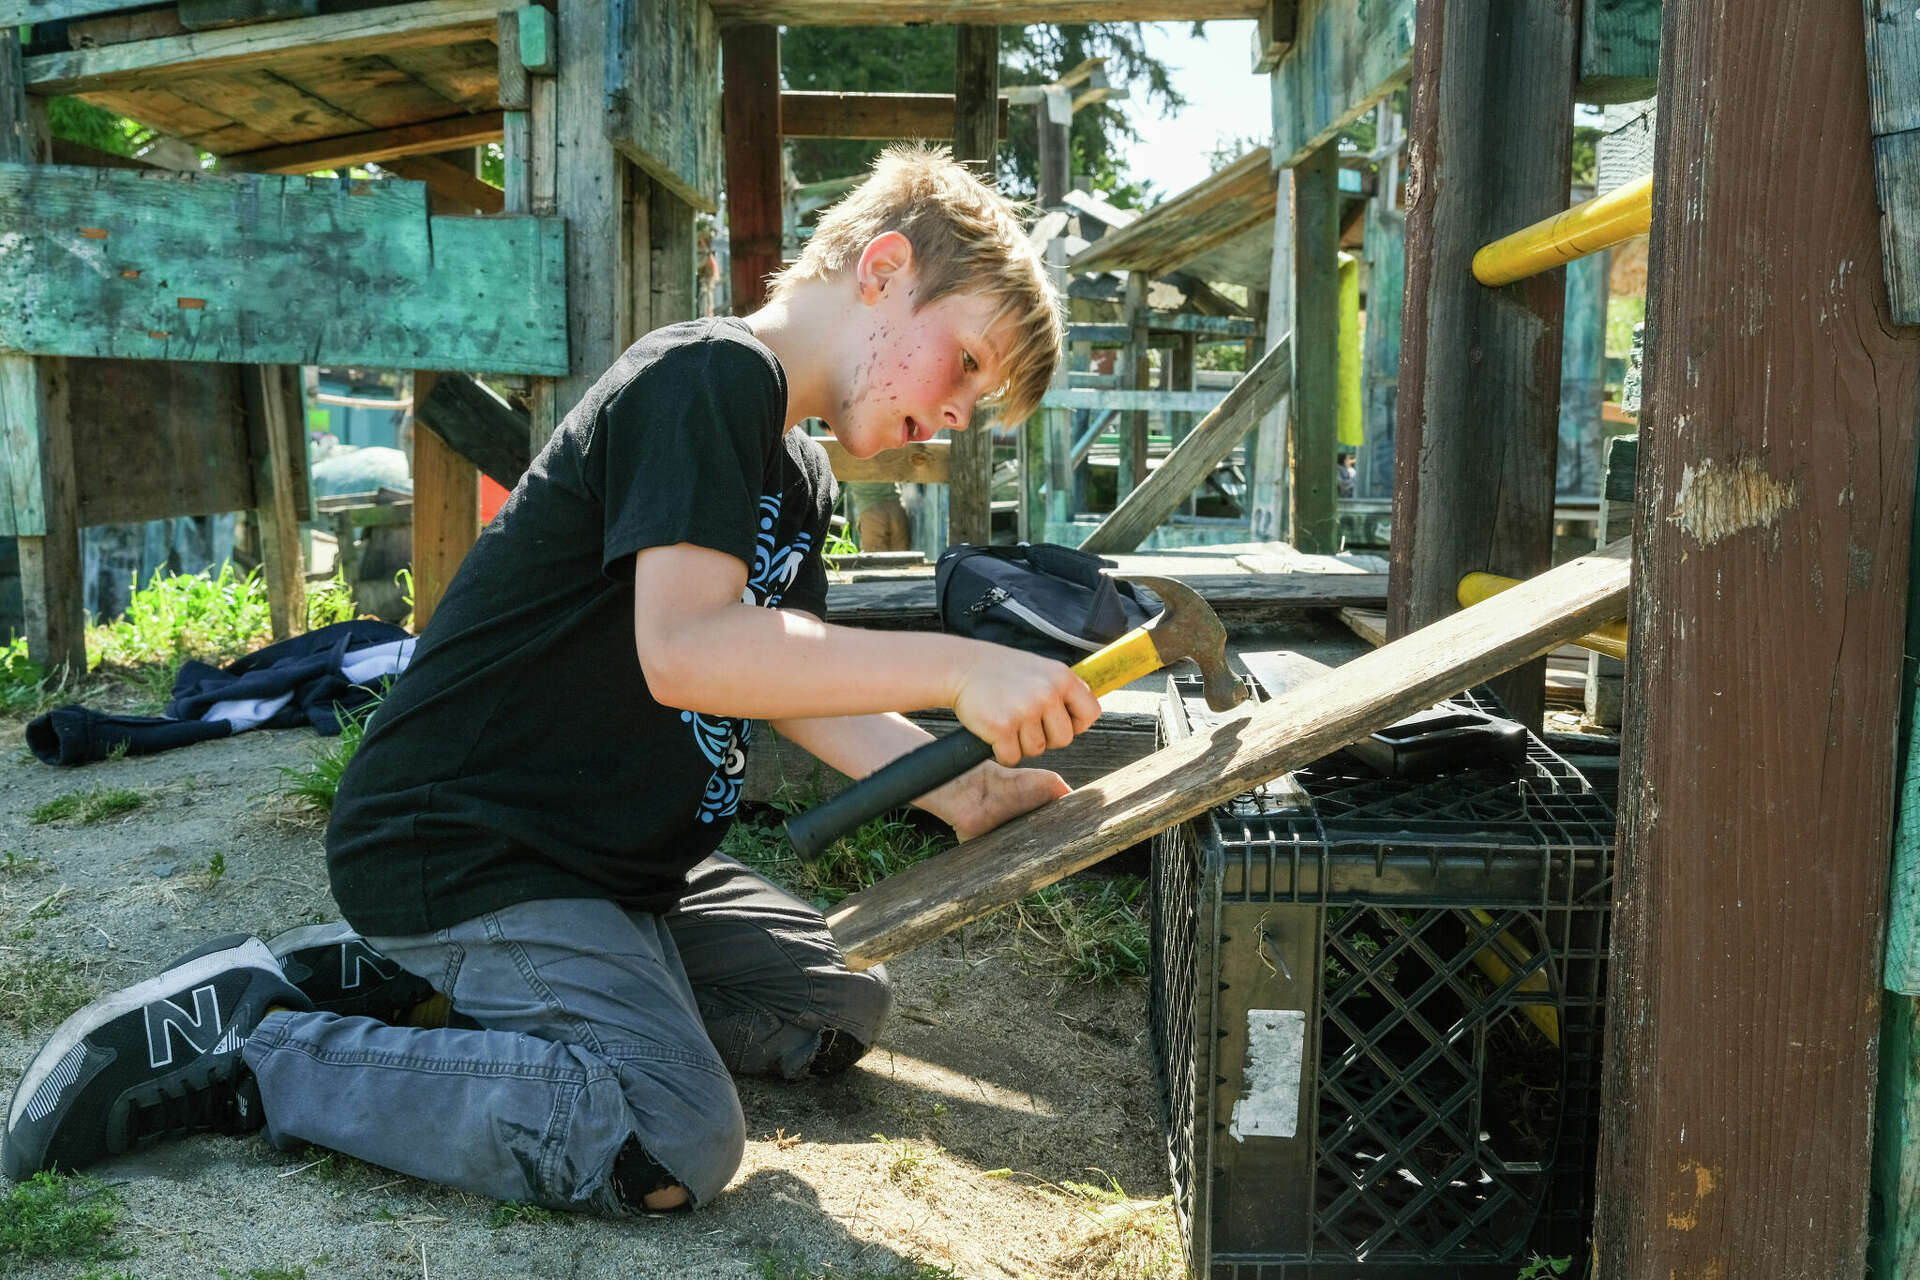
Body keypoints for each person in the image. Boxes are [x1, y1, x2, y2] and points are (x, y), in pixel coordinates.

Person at [4, 145, 1099, 1216]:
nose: (959, 417)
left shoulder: (796, 472)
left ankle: (445, 988)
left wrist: (955, 786)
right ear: (883, 270)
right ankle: (268, 1047)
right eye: (966, 364)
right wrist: (962, 664)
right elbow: (689, 648)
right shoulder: (705, 376)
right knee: (673, 1130)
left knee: (825, 1005)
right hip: (477, 843)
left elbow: (788, 680)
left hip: (611, 868)